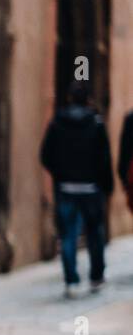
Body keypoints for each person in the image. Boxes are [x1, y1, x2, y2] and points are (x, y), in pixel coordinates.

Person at [41, 81, 114, 298]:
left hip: (66, 188)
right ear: (88, 100)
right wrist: (106, 186)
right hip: (91, 189)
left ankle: (71, 281)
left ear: (70, 98)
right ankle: (96, 276)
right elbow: (105, 159)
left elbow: (46, 155)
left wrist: (60, 175)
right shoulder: (97, 124)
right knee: (95, 233)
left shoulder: (57, 123)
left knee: (68, 234)